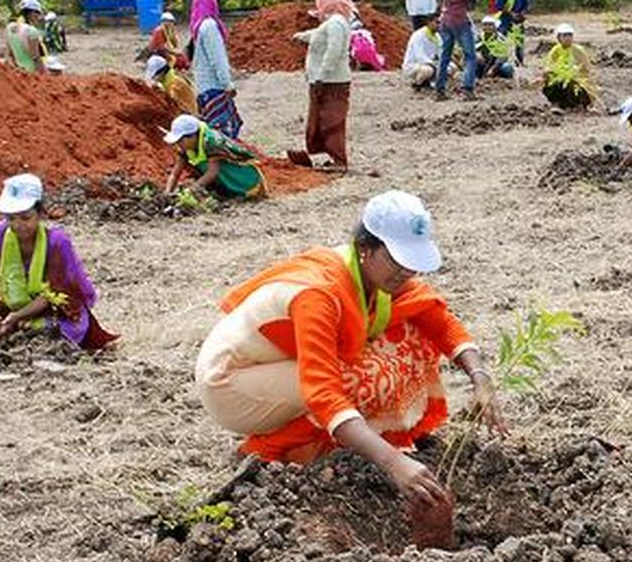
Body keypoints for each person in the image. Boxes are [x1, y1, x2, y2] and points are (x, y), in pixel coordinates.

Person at [194, 190, 508, 511]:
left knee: (409, 339)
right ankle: (266, 452)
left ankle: (328, 441)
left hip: (275, 366)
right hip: (229, 383)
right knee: (358, 379)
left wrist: (480, 379)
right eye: (397, 259)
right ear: (365, 249)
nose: (405, 271)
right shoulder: (321, 293)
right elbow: (323, 391)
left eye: (412, 263)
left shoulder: (377, 278)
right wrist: (393, 463)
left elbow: (440, 322)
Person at [0, 173, 117, 350]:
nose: (18, 225)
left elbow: (55, 293)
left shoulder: (57, 241)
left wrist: (15, 318)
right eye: (11, 218)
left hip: (49, 311)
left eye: (26, 218)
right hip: (8, 306)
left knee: (65, 331)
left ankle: (18, 332)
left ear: (40, 214)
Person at [291, 0, 355, 171]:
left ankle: (339, 161)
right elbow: (320, 35)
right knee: (323, 118)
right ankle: (333, 156)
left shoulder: (335, 23)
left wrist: (321, 76)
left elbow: (333, 51)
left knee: (331, 120)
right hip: (329, 80)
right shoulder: (334, 22)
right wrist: (302, 36)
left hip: (331, 81)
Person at [163, 114, 268, 199]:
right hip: (222, 179)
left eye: (181, 140)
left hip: (244, 178)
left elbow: (212, 172)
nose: (179, 144)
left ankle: (238, 192)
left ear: (193, 135)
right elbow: (175, 173)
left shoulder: (210, 141)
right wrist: (167, 193)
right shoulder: (185, 148)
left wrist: (190, 190)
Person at [190, 0, 242, 138]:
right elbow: (217, 59)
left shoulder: (198, 27)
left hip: (204, 87)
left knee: (214, 133)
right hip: (214, 87)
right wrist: (227, 84)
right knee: (223, 136)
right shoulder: (209, 26)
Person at [436, 0, 482, 101]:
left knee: (445, 55)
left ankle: (440, 89)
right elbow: (470, 4)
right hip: (460, 19)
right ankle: (467, 89)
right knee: (470, 56)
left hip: (445, 18)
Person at [542, 23, 594, 110]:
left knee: (572, 85)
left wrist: (574, 71)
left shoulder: (579, 50)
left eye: (570, 35)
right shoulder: (555, 51)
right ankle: (558, 103)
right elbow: (549, 66)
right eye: (564, 35)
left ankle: (577, 105)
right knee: (553, 84)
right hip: (560, 79)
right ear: (559, 37)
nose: (567, 38)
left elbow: (586, 69)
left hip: (577, 80)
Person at [402, 14, 451, 89]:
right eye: (437, 22)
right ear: (429, 22)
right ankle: (418, 83)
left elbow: (440, 53)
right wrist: (434, 65)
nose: (439, 25)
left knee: (451, 67)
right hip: (415, 65)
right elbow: (419, 56)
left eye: (441, 23)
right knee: (428, 70)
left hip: (431, 63)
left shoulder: (437, 36)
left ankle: (434, 82)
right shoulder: (418, 35)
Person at [493, 0, 530, 64]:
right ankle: (497, 60)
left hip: (518, 19)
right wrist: (510, 13)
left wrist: (523, 13)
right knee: (501, 38)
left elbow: (526, 5)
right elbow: (498, 5)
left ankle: (519, 61)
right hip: (505, 18)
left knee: (519, 40)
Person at [6, 0, 49, 74]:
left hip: (19, 71)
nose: (38, 16)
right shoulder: (31, 31)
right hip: (32, 72)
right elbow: (36, 57)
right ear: (31, 13)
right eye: (37, 12)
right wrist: (45, 75)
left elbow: (10, 54)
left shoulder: (10, 27)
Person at [475, 15, 515, 80]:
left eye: (490, 25)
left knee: (507, 67)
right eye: (485, 25)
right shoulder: (479, 37)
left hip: (497, 65)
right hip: (484, 63)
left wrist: (493, 69)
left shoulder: (501, 38)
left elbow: (502, 57)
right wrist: (477, 54)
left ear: (495, 27)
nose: (487, 27)